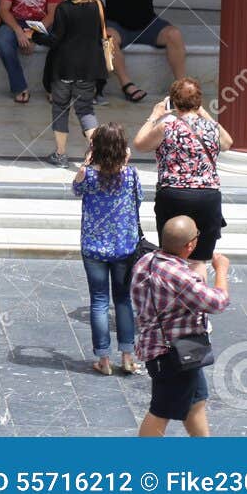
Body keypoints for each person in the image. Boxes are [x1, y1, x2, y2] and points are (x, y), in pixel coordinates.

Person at [131, 215, 231, 437]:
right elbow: (217, 302)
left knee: (196, 402)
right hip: (172, 355)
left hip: (173, 349)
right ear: (190, 245)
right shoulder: (179, 276)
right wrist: (221, 270)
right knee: (160, 412)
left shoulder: (145, 261)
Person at [132, 77, 233, 266]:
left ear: (174, 102)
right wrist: (205, 114)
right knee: (199, 261)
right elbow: (228, 143)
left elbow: (139, 143)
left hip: (173, 195)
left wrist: (154, 115)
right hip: (207, 196)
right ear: (199, 102)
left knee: (171, 257)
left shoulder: (167, 127)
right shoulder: (212, 128)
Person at [71, 123, 141, 377]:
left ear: (95, 147)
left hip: (93, 246)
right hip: (124, 245)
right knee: (123, 299)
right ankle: (128, 357)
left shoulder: (88, 175)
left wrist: (85, 162)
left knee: (99, 301)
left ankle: (103, 359)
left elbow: (75, 189)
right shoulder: (130, 174)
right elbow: (139, 200)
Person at [41, 0, 108, 167]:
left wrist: (35, 35)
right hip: (88, 69)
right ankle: (98, 153)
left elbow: (55, 40)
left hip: (63, 68)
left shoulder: (63, 8)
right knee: (85, 110)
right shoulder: (98, 6)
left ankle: (60, 155)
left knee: (60, 108)